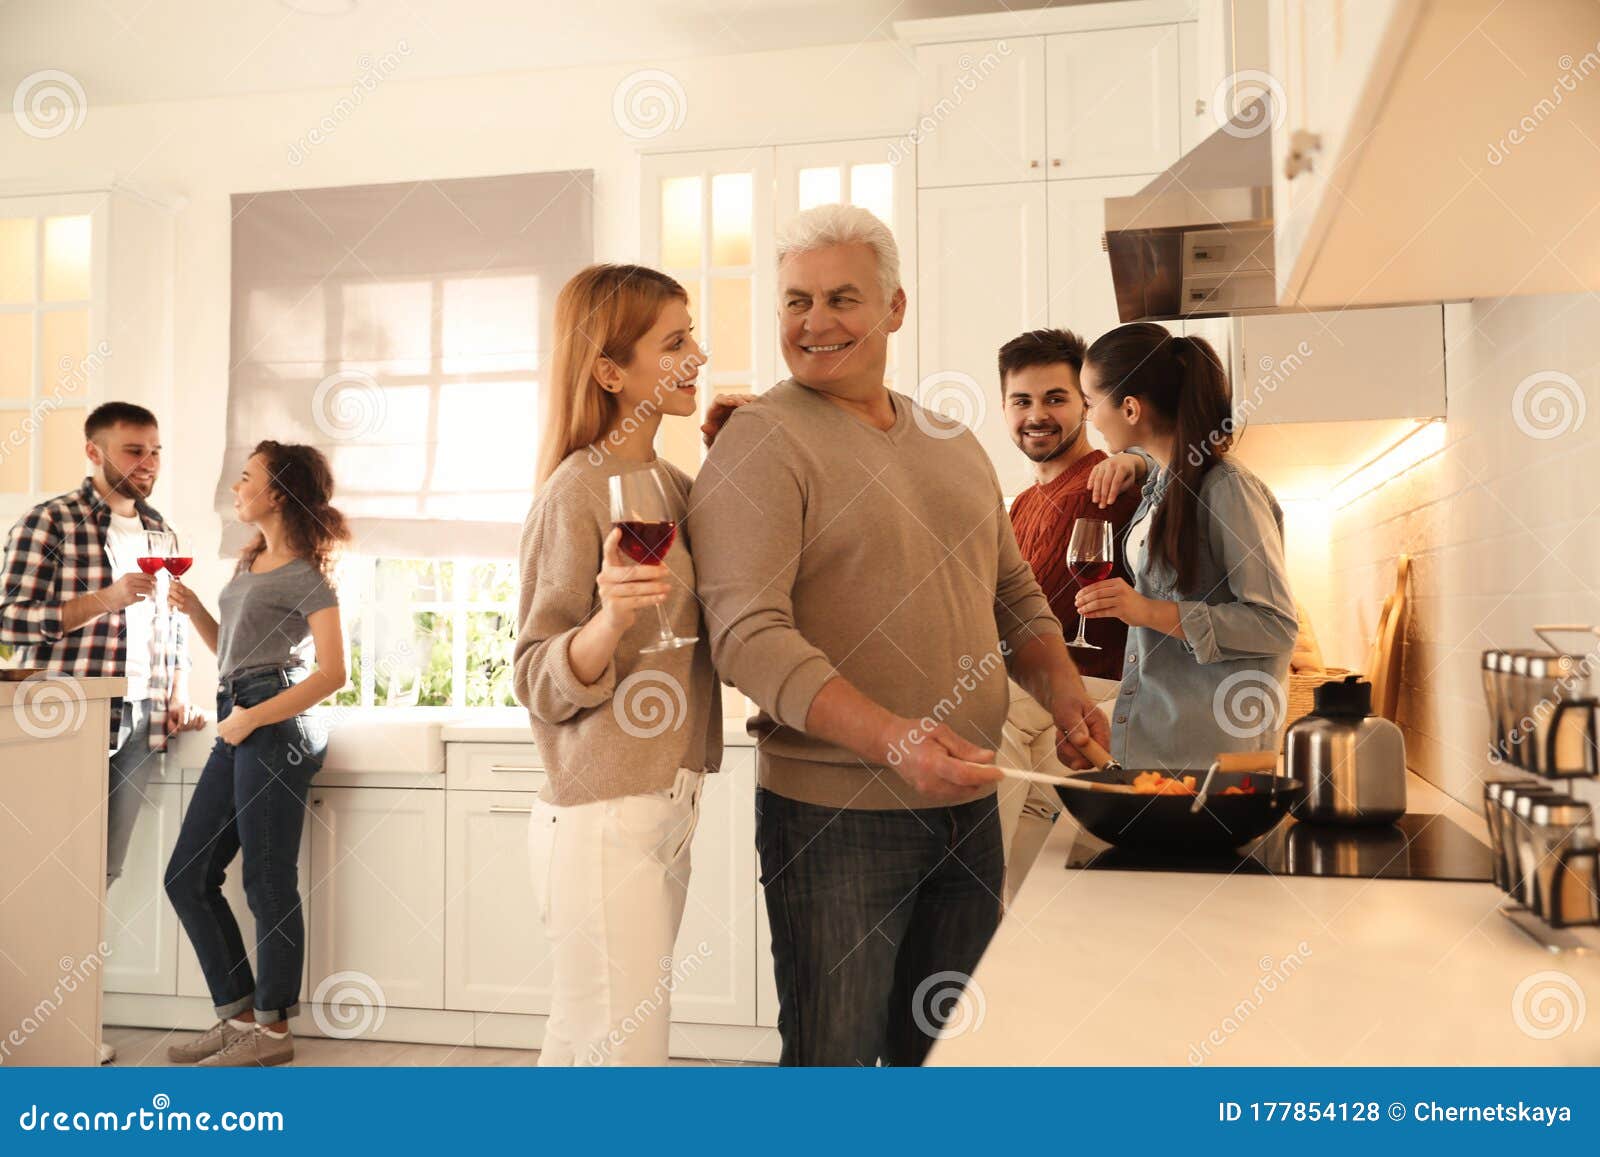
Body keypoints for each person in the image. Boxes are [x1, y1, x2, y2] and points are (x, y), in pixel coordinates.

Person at [688, 205, 1109, 1067]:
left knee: (950, 1058)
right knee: (835, 1060)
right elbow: (746, 636)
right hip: (835, 816)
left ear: (895, 308)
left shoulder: (952, 443)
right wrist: (895, 740)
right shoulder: (758, 444)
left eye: (843, 297)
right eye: (796, 300)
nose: (815, 321)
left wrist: (1066, 698)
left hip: (968, 806)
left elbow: (1015, 596)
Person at [512, 263, 723, 1066]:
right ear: (610, 371)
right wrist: (610, 618)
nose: (697, 355)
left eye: (692, 334)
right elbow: (535, 674)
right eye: (675, 342)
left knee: (585, 1047)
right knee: (622, 1060)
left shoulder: (671, 484)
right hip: (604, 812)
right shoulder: (576, 490)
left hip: (668, 802)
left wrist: (732, 449)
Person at [0, 402, 204, 1062]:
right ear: (94, 452)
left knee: (99, 874)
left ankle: (71, 1028)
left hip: (141, 724)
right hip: (64, 726)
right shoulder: (50, 521)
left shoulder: (160, 529)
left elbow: (170, 625)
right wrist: (107, 599)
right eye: (131, 451)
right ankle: (36, 1034)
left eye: (154, 451)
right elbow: (9, 623)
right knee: (41, 875)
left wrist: (177, 689)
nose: (146, 464)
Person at [162, 441, 349, 1067]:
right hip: (237, 715)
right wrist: (193, 613)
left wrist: (250, 719)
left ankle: (274, 1034)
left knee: (266, 881)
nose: (236, 489)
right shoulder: (249, 565)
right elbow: (234, 657)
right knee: (187, 877)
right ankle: (239, 1018)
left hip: (275, 725)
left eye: (246, 479)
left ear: (276, 493)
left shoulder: (308, 577)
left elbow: (332, 674)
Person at [1074, 322, 1297, 767]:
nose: (1089, 418)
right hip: (1159, 741)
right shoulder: (1165, 484)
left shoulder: (1227, 489)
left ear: (1131, 408)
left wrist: (1144, 611)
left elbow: (1275, 625)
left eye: (1090, 402)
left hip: (1212, 759)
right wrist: (1134, 461)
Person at [992, 329, 1148, 900]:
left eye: (1056, 398)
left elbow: (1182, 471)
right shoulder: (1022, 504)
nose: (1038, 415)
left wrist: (1137, 459)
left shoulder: (1112, 481)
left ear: (1085, 401)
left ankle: (960, 885)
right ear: (1004, 407)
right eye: (1022, 401)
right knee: (1024, 892)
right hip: (1048, 699)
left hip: (1094, 688)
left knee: (975, 710)